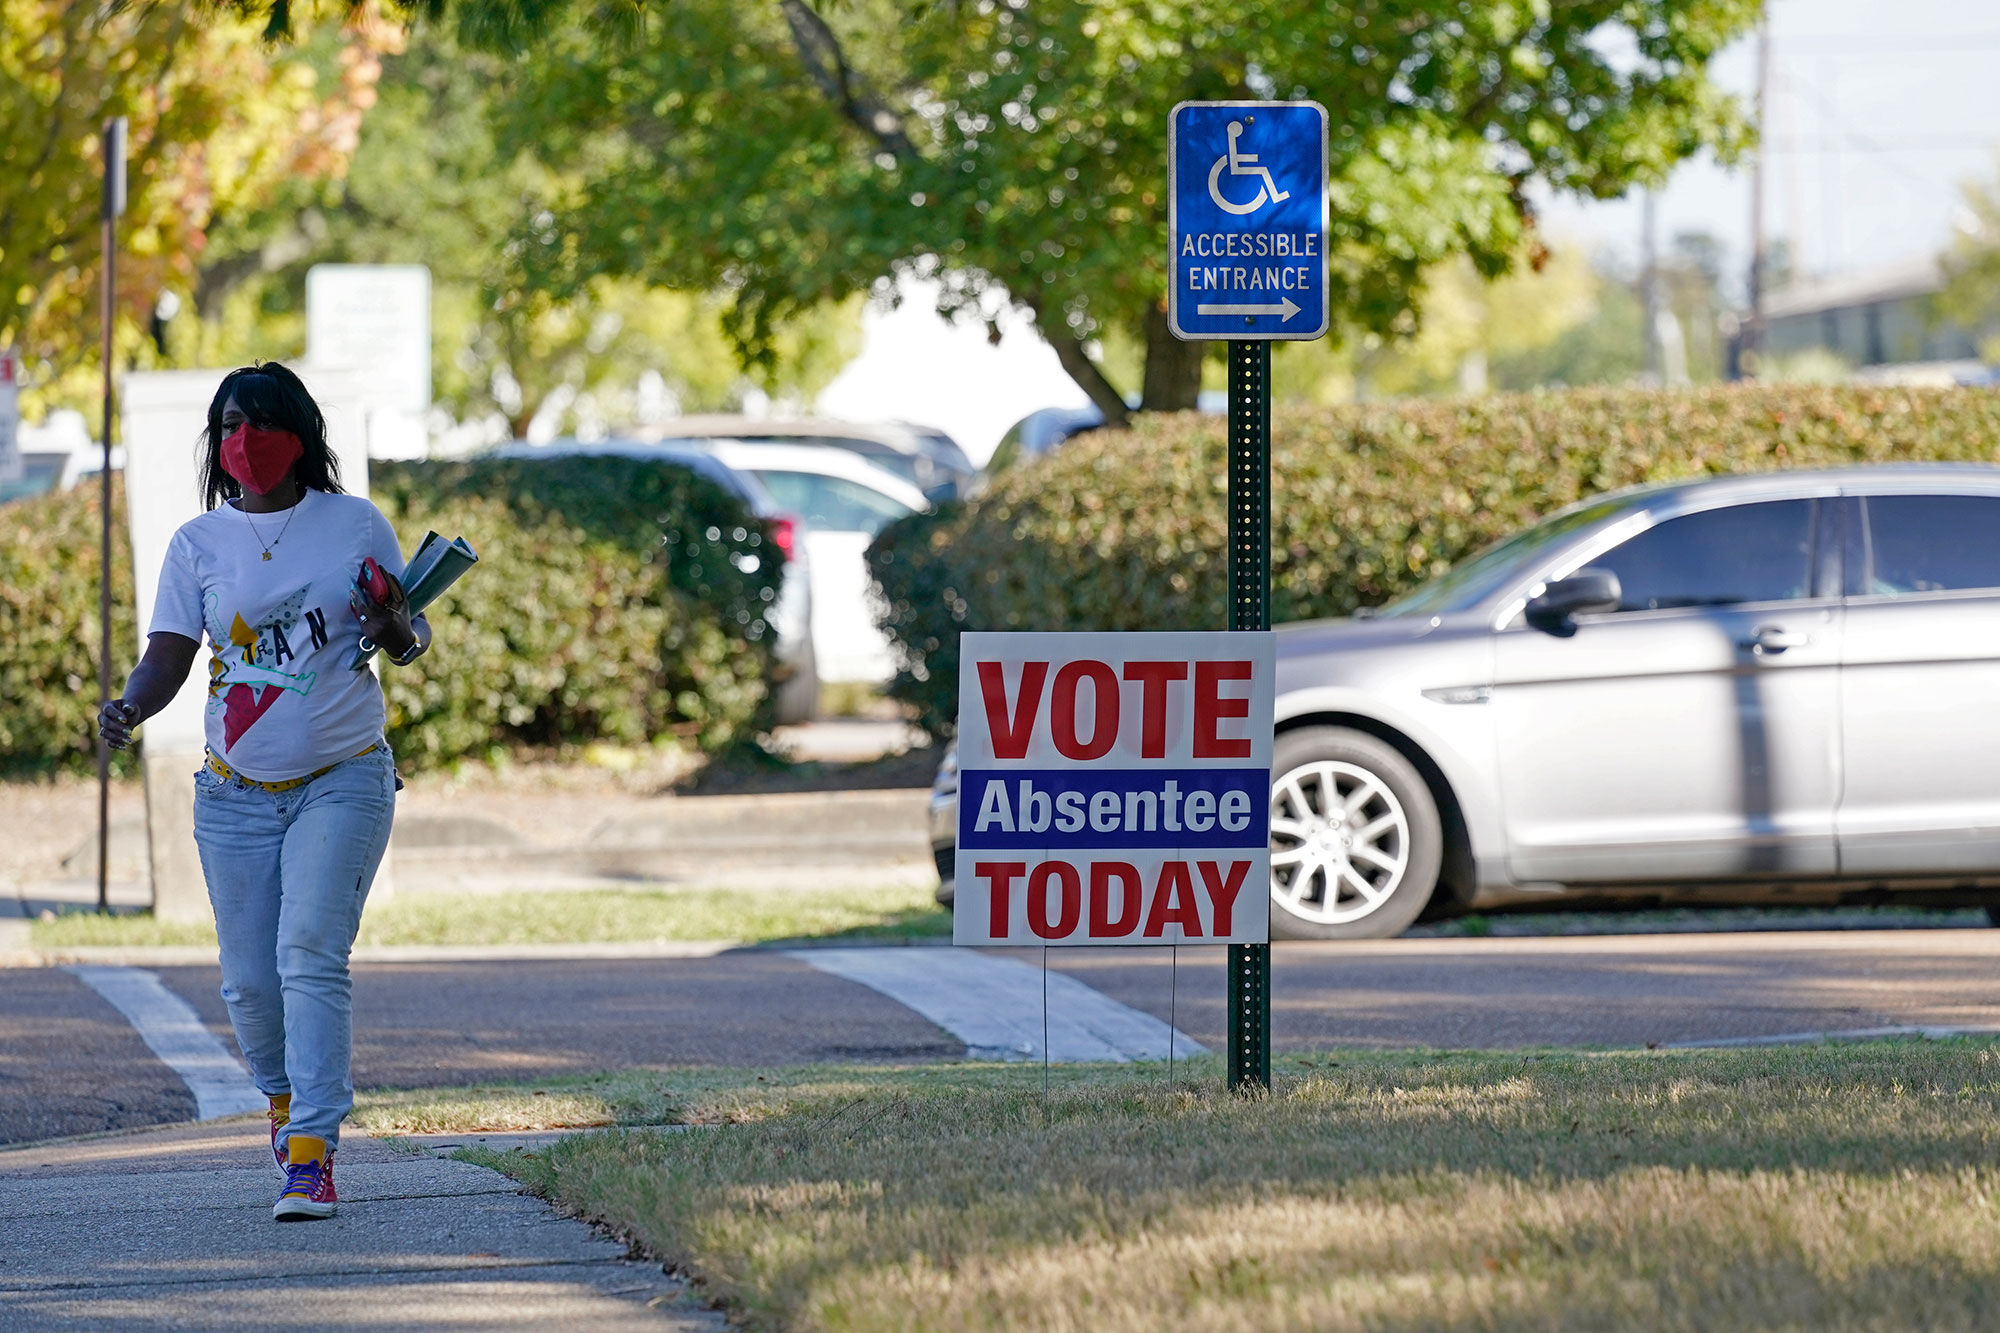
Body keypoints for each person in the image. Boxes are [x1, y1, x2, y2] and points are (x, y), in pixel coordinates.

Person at [98, 362, 430, 1222]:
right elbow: (169, 654)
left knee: (310, 952)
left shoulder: (354, 523)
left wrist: (392, 618)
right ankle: (282, 1105)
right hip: (234, 792)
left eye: (264, 423)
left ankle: (313, 1153)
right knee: (249, 983)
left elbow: (406, 636)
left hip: (342, 775)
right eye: (232, 426)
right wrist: (130, 706)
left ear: (302, 434)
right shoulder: (198, 543)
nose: (246, 442)